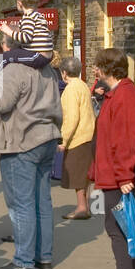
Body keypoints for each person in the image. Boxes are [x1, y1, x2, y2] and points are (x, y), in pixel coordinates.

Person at [0, 36, 63, 269]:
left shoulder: (15, 68)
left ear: (10, 46)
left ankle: (24, 260)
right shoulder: (48, 69)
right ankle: (43, 256)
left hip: (22, 141)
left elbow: (3, 103)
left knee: (22, 203)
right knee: (43, 201)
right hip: (47, 137)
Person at [86, 47, 135, 269]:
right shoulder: (119, 94)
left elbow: (126, 140)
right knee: (128, 226)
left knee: (119, 228)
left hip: (118, 176)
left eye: (96, 66)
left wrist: (125, 176)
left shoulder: (125, 96)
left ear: (106, 68)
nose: (94, 70)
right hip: (114, 173)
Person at [57, 56, 95, 220]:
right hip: (88, 133)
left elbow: (72, 118)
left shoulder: (71, 89)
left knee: (77, 174)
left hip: (77, 137)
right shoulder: (83, 85)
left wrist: (63, 140)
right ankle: (85, 205)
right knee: (84, 175)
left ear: (64, 73)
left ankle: (81, 207)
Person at [0, 0, 55, 72]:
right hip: (48, 55)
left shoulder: (28, 17)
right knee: (16, 52)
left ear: (19, 3)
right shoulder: (39, 16)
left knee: (5, 57)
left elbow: (26, 37)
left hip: (38, 56)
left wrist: (9, 32)